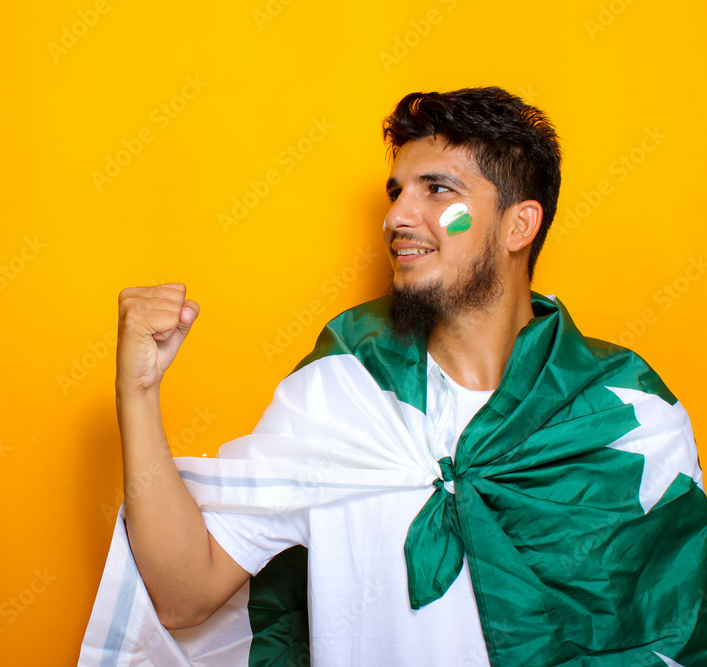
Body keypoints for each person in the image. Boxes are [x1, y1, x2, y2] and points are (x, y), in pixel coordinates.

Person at [79, 87, 707, 666]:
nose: (397, 217)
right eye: (396, 192)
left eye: (438, 190)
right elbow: (184, 596)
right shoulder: (339, 394)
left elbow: (670, 629)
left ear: (520, 225)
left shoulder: (627, 415)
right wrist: (138, 392)